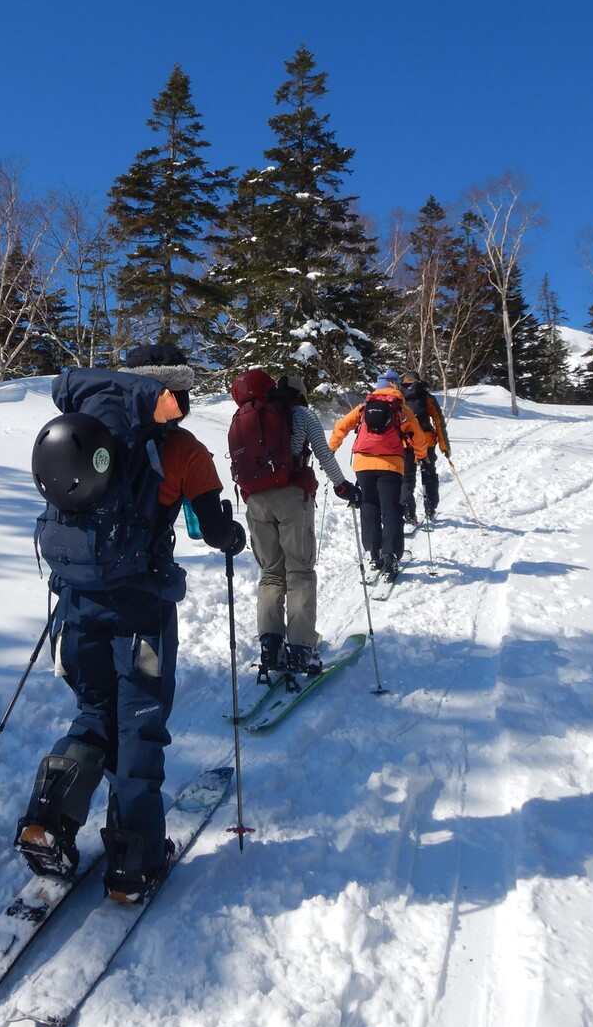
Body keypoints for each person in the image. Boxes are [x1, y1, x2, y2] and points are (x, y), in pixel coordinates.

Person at [18, 343, 246, 905]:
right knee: (139, 724)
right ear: (171, 391)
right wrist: (232, 536)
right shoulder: (185, 450)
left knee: (94, 715)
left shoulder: (81, 433)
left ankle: (48, 819)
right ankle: (132, 864)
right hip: (140, 611)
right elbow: (211, 529)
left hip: (75, 607)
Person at [235, 372, 359, 680]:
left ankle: (270, 645)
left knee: (270, 574)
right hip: (291, 496)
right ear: (301, 394)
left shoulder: (250, 417)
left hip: (256, 502)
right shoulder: (302, 414)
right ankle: (301, 649)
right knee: (300, 571)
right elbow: (323, 453)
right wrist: (344, 487)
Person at [328, 369, 422, 583]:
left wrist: (331, 448)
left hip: (363, 464)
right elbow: (417, 436)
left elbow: (341, 426)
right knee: (391, 510)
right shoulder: (402, 409)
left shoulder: (364, 406)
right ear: (396, 385)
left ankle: (373, 554)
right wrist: (421, 456)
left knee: (369, 505)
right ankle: (391, 556)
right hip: (391, 465)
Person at [398, 370, 450, 526]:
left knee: (406, 477)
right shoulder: (426, 396)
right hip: (427, 442)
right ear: (418, 380)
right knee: (428, 474)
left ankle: (408, 512)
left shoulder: (398, 397)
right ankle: (430, 509)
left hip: (405, 443)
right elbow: (438, 421)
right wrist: (444, 446)